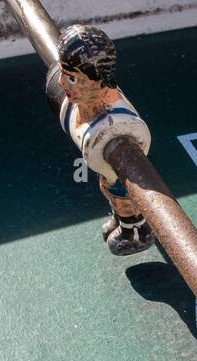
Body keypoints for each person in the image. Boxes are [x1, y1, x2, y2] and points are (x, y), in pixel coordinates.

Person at [52, 25, 154, 256]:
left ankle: (134, 232)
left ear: (98, 79)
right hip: (105, 168)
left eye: (71, 78)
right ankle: (121, 219)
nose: (61, 83)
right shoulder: (89, 103)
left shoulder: (117, 122)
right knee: (108, 189)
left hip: (119, 171)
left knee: (123, 196)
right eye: (62, 74)